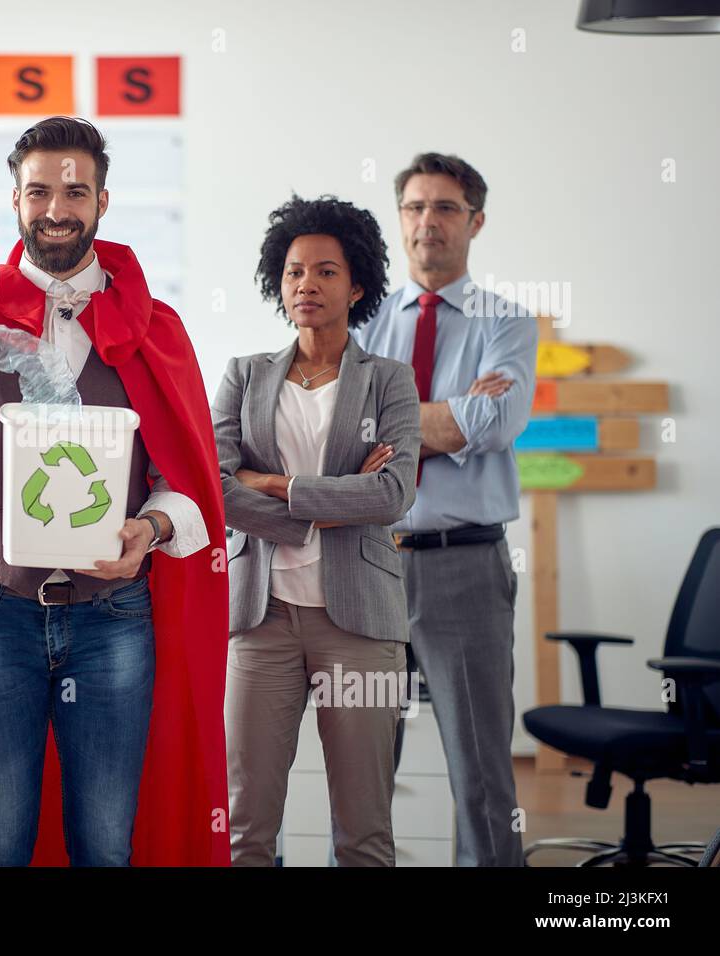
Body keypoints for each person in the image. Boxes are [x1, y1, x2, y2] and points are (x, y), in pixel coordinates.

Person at [0, 116, 229, 866]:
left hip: (113, 619)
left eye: (75, 190)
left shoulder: (157, 330)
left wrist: (154, 531)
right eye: (39, 190)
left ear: (103, 200)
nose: (56, 208)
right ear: (14, 200)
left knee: (105, 846)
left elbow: (189, 485)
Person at [216, 195, 420, 866]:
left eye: (327, 271)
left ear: (357, 284)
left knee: (363, 831)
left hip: (359, 623)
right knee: (246, 824)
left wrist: (275, 483)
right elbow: (215, 489)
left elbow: (391, 494)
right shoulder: (244, 376)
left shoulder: (389, 380)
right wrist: (331, 503)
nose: (308, 284)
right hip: (261, 618)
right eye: (296, 271)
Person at [352, 152, 538, 867]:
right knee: (365, 767)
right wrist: (448, 416)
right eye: (415, 207)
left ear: (476, 221)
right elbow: (344, 433)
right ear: (401, 221)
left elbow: (494, 425)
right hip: (371, 563)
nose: (428, 221)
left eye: (446, 208)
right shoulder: (365, 325)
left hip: (464, 567)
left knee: (482, 773)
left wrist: (389, 421)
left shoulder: (508, 323)